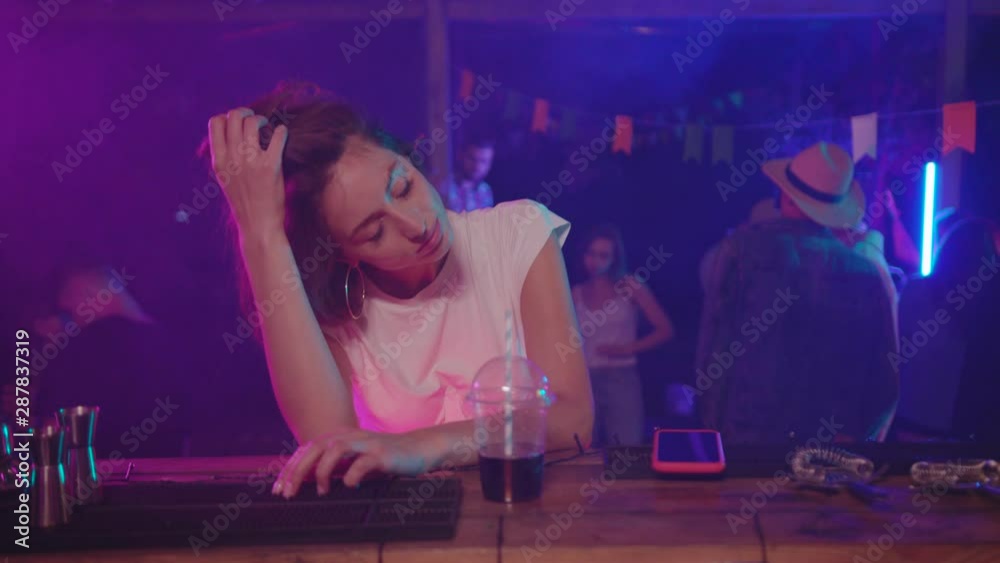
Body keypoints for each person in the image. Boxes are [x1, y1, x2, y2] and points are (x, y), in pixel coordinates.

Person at [202, 81, 593, 498]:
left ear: (408, 157)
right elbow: (332, 450)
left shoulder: (518, 234)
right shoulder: (333, 312)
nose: (416, 225)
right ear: (342, 253)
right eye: (374, 233)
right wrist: (261, 235)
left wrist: (417, 447)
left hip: (528, 525)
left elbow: (573, 420)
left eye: (404, 186)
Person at [696, 142, 899, 444]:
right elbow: (885, 381)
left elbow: (714, 348)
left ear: (785, 194)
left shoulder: (741, 251)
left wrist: (712, 432)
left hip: (747, 437)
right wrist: (855, 440)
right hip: (829, 445)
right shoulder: (867, 273)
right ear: (835, 207)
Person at [3, 262, 191, 458]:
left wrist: (30, 414)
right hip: (166, 477)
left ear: (89, 293)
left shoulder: (88, 347)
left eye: (69, 310)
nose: (72, 320)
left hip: (100, 480)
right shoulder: (173, 345)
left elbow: (59, 431)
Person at [571, 224, 674, 446]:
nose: (595, 261)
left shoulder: (630, 286)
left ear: (614, 258)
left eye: (603, 255)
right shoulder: (576, 292)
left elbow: (664, 329)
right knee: (586, 450)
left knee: (627, 447)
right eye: (591, 253)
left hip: (621, 377)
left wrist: (625, 349)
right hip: (585, 380)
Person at [438, 137, 495, 212]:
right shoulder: (444, 185)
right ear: (460, 156)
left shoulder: (486, 190)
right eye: (472, 159)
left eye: (483, 161)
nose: (477, 166)